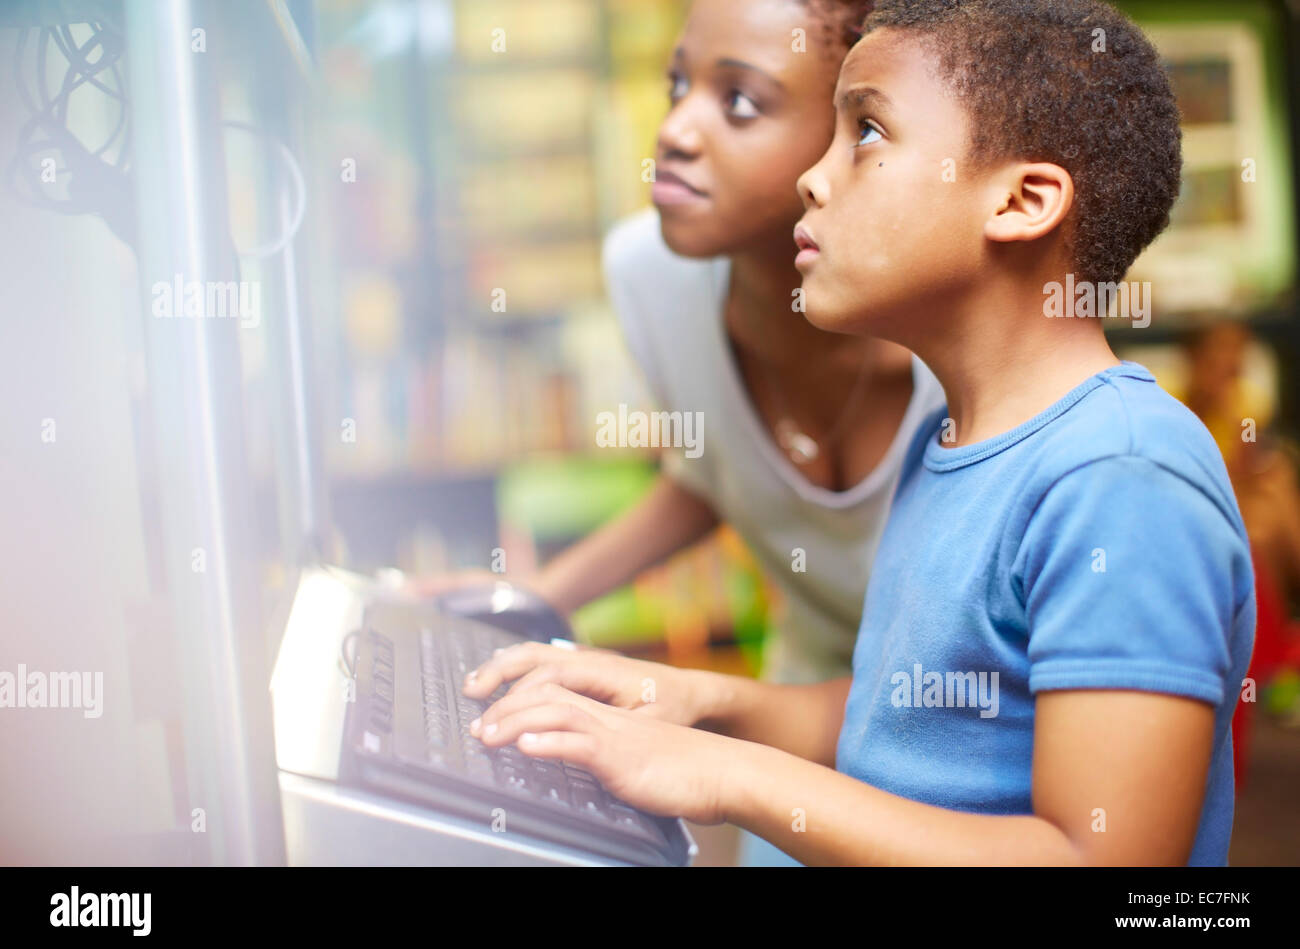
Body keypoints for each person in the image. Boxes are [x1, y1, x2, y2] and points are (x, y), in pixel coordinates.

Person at [462, 0, 1256, 866]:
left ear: (1024, 200)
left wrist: (728, 774)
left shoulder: (1120, 476)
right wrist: (687, 697)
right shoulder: (949, 445)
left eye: (866, 132)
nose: (815, 175)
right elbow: (899, 714)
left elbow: (1102, 865)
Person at [426, 0, 945, 864]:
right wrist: (534, 600)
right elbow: (712, 469)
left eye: (739, 102)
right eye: (677, 86)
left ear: (858, 129)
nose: (673, 130)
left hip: (969, 718)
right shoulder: (650, 274)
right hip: (803, 701)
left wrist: (709, 730)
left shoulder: (953, 337)